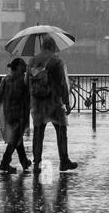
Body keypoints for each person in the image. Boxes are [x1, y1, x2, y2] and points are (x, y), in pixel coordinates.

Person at [28, 38, 78, 173]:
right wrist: (67, 102)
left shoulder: (32, 61)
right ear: (52, 46)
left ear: (43, 46)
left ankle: (37, 163)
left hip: (38, 104)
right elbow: (62, 83)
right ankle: (64, 161)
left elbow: (28, 82)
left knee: (38, 134)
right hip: (54, 103)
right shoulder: (56, 61)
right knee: (61, 132)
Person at [0, 58, 33, 173]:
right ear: (18, 67)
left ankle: (24, 162)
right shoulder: (23, 81)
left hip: (8, 113)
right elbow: (30, 94)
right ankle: (4, 163)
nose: (25, 68)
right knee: (15, 140)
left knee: (18, 139)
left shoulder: (6, 79)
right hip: (20, 115)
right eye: (23, 66)